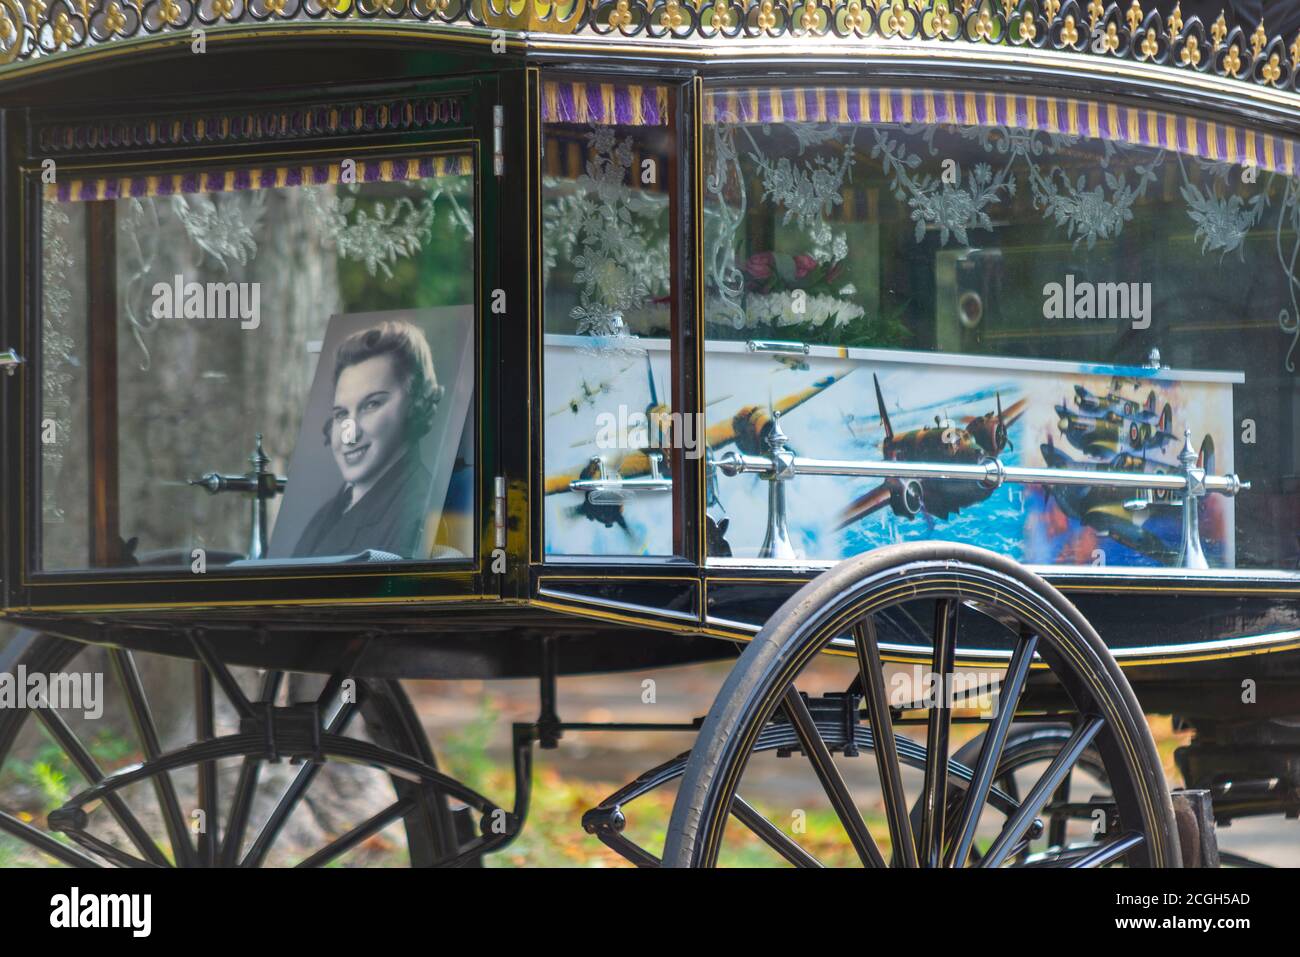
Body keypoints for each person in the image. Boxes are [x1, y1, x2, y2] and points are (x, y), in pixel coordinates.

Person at [292, 319, 443, 559]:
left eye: (371, 404)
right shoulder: (327, 515)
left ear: (415, 403)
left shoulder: (421, 515)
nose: (349, 435)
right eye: (341, 414)